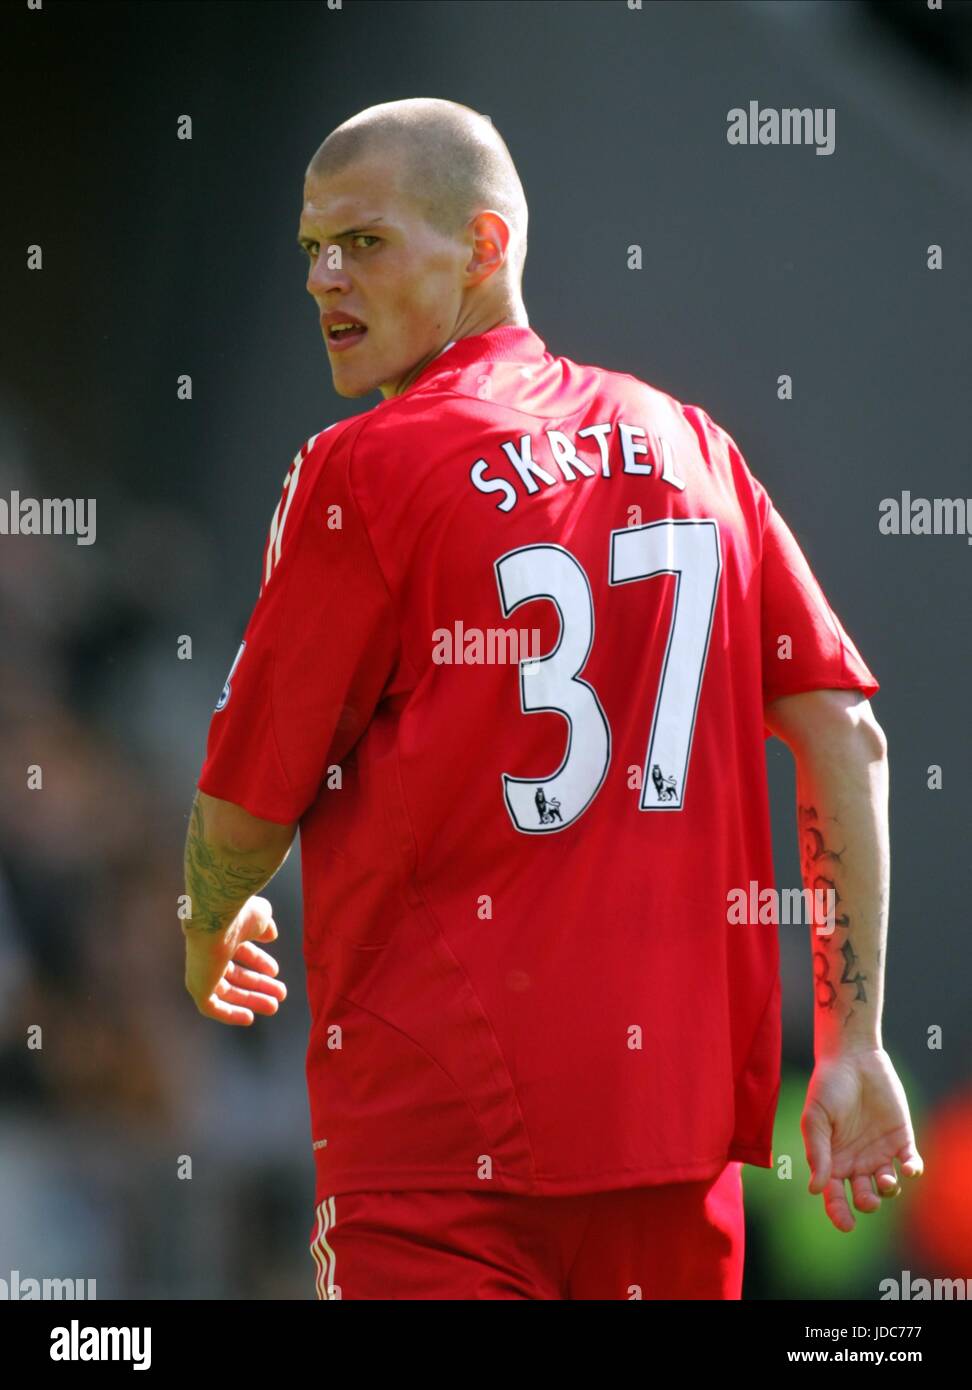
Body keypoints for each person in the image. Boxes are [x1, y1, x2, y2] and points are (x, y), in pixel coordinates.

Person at [182, 98, 922, 1300]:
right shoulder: (694, 446)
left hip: (436, 1165)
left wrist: (202, 917)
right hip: (676, 1160)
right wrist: (856, 1045)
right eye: (310, 248)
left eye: (364, 242)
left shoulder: (363, 470)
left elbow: (246, 806)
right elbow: (849, 731)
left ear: (484, 248)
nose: (323, 276)